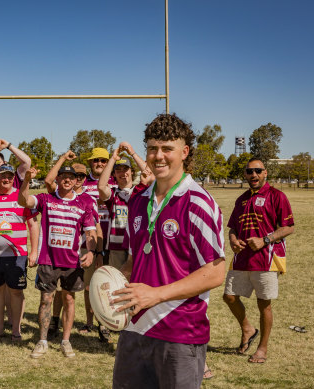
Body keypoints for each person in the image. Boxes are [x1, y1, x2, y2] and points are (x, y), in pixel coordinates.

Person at [112, 113, 225, 388]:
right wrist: (113, 282)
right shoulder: (138, 201)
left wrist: (155, 294)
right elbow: (134, 259)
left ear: (184, 152)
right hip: (134, 328)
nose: (158, 156)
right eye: (152, 148)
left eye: (167, 149)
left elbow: (215, 272)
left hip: (179, 332)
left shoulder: (198, 202)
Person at [18, 166, 97, 359]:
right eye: (64, 176)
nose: (68, 180)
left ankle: (66, 341)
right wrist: (27, 180)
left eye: (72, 177)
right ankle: (42, 341)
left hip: (72, 262)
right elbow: (23, 200)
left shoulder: (83, 203)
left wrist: (92, 251)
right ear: (58, 179)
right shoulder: (46, 199)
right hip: (48, 260)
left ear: (76, 180)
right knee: (46, 300)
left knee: (69, 299)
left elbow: (90, 231)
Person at [223, 157, 294, 364]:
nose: (253, 175)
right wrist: (234, 240)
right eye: (249, 171)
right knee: (229, 296)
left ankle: (262, 349)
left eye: (257, 171)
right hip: (241, 258)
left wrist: (265, 240)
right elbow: (233, 228)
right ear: (245, 175)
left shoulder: (277, 196)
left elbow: (289, 227)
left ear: (265, 173)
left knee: (264, 304)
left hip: (266, 258)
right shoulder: (242, 199)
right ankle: (248, 329)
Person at [43, 151, 101, 339]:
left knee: (72, 291)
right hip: (57, 249)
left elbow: (95, 227)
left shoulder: (89, 200)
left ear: (82, 178)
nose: (76, 180)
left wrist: (96, 251)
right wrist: (62, 159)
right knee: (57, 291)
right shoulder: (57, 193)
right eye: (69, 176)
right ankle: (54, 319)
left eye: (80, 176)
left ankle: (97, 324)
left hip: (81, 247)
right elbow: (48, 181)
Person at [0, 164, 39, 341]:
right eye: (2, 176)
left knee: (16, 292)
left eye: (9, 176)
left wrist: (34, 251)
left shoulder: (22, 197)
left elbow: (33, 224)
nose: (6, 179)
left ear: (14, 177)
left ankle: (16, 330)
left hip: (17, 255)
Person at [97, 142, 152, 270]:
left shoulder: (141, 191)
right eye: (118, 170)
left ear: (132, 172)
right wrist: (112, 159)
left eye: (125, 169)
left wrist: (132, 153)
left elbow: (149, 173)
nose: (122, 173)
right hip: (117, 247)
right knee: (118, 284)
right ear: (114, 174)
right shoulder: (113, 194)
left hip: (137, 244)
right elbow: (101, 186)